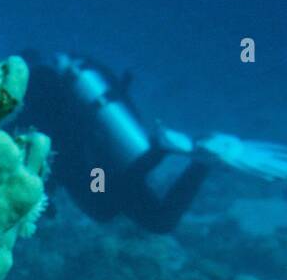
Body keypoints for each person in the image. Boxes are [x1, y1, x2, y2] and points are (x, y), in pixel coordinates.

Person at [21, 52, 287, 233]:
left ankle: (182, 155)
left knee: (108, 209)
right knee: (150, 215)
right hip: (112, 154)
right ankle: (191, 155)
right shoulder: (76, 77)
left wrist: (40, 200)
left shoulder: (32, 98)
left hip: (94, 166)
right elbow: (117, 92)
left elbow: (37, 151)